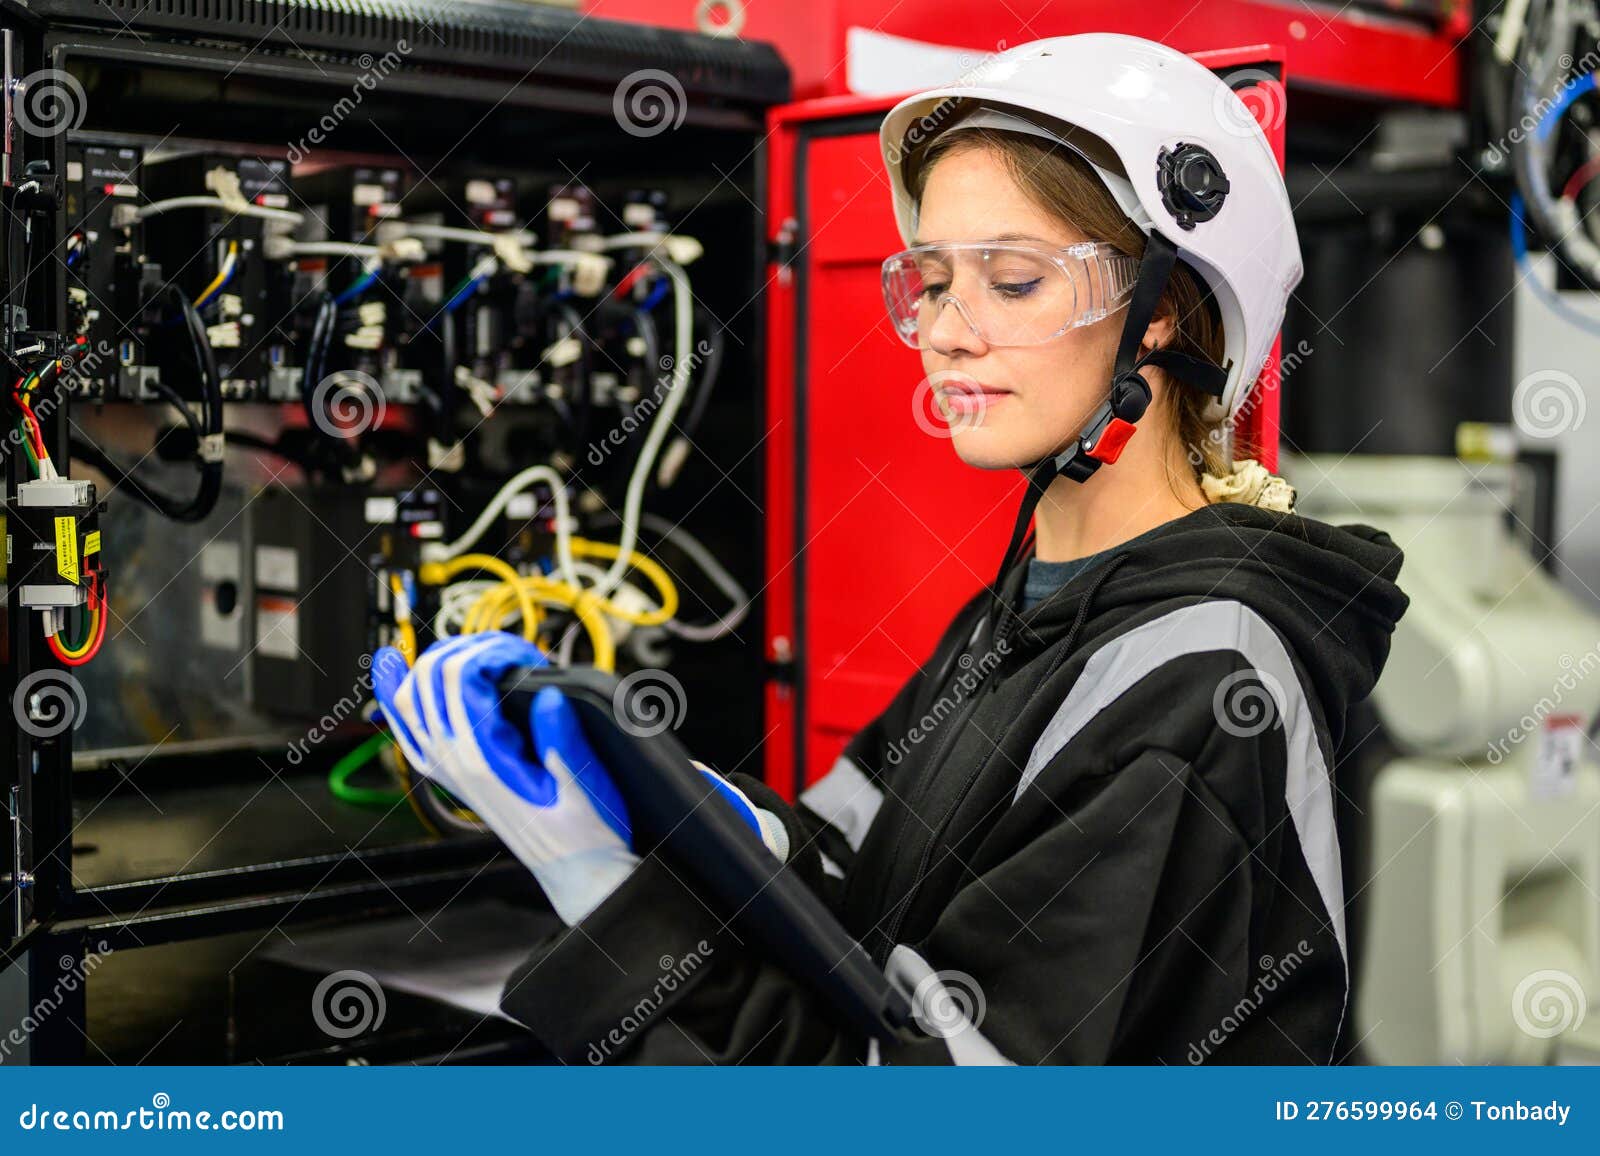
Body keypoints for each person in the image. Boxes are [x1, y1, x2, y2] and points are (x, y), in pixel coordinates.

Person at [373, 33, 1408, 1065]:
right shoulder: (1038, 606)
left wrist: (609, 907)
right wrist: (669, 800)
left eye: (1011, 280)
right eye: (933, 281)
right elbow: (848, 869)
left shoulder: (1199, 683)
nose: (947, 331)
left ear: (1160, 314)